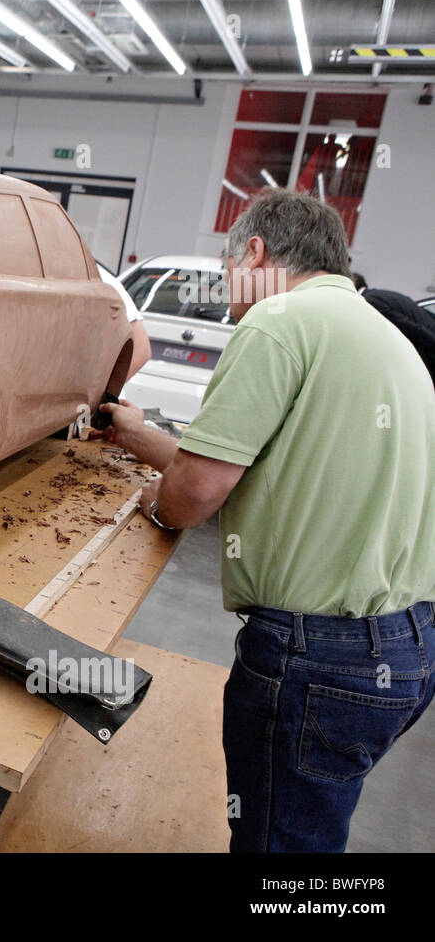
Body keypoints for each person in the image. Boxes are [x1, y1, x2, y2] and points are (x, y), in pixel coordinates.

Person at [92, 189, 435, 852]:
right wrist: (142, 438)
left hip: (322, 657)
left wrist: (157, 504)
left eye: (227, 269)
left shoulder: (278, 321)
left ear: (253, 252)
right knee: (303, 831)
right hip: (405, 643)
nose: (227, 289)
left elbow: (196, 491)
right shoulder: (377, 333)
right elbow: (257, 466)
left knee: (278, 848)